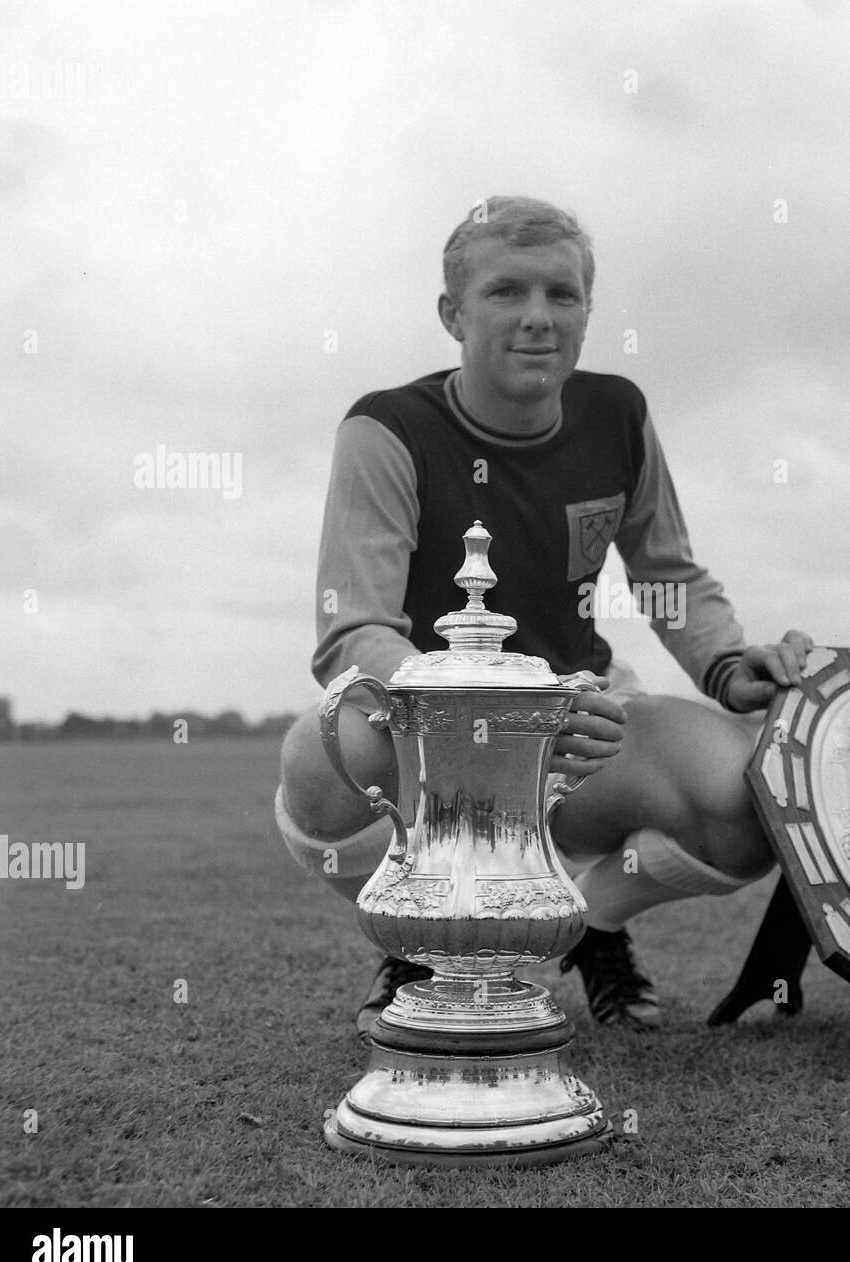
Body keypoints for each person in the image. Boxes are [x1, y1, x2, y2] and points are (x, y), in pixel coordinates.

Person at [274, 195, 811, 1039]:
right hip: (433, 727)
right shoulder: (387, 428)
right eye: (506, 292)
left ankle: (590, 919)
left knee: (749, 800)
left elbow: (668, 573)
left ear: (588, 311)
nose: (537, 319)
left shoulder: (619, 413)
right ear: (453, 313)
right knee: (321, 756)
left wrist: (729, 663)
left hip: (583, 719)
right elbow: (355, 633)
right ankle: (423, 941)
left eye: (562, 295)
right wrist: (506, 719)